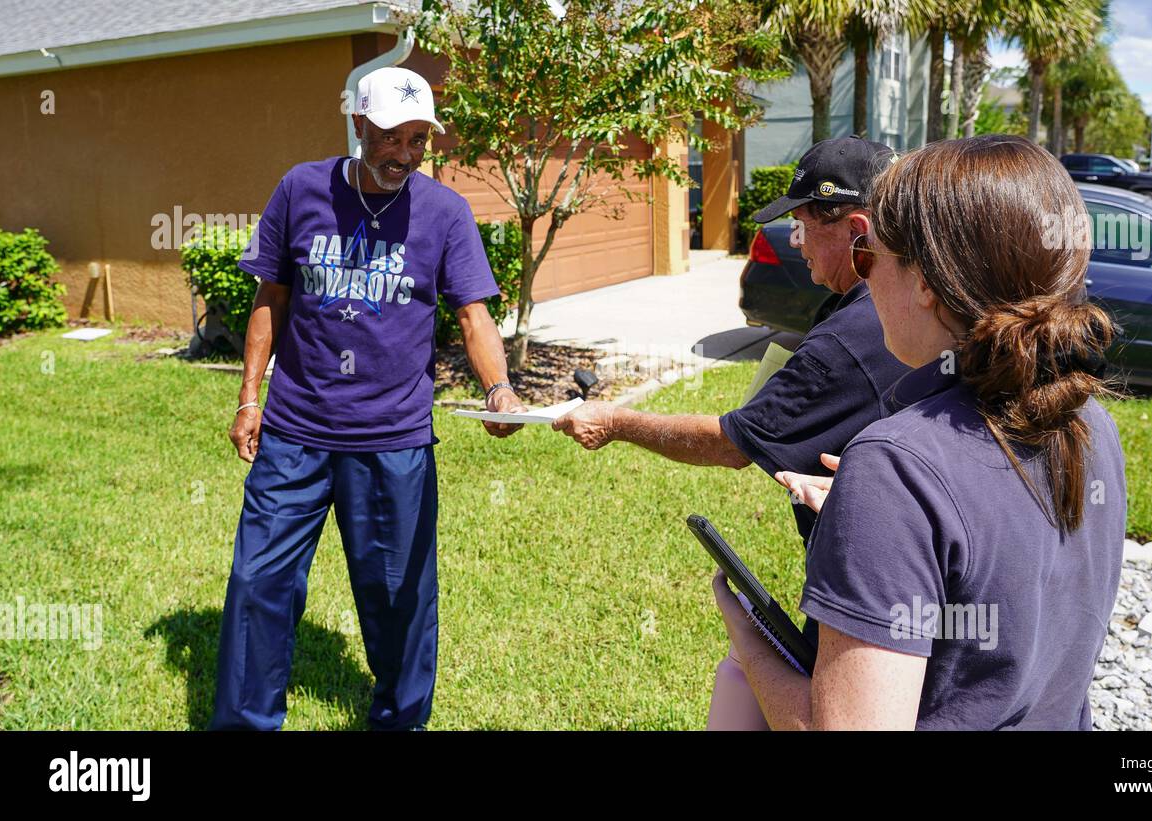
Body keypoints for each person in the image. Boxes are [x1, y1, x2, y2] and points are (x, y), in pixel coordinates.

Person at [714, 135, 1127, 730]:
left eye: (867, 256)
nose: (863, 282)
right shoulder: (1090, 421)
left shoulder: (895, 468)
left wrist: (750, 641)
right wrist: (890, 527)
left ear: (927, 283)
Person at [210, 66, 525, 730]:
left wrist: (497, 389)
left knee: (398, 599)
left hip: (393, 439)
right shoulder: (301, 189)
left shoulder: (444, 212)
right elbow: (271, 297)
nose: (406, 155)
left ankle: (399, 719)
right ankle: (245, 722)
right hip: (295, 430)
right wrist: (248, 397)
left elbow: (474, 317)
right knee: (257, 586)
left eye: (419, 141)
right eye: (393, 138)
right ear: (358, 125)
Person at [551, 136, 909, 550]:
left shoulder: (845, 340)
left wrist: (615, 422)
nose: (798, 243)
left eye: (802, 227)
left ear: (856, 230)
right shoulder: (919, 300)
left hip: (865, 573)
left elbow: (732, 444)